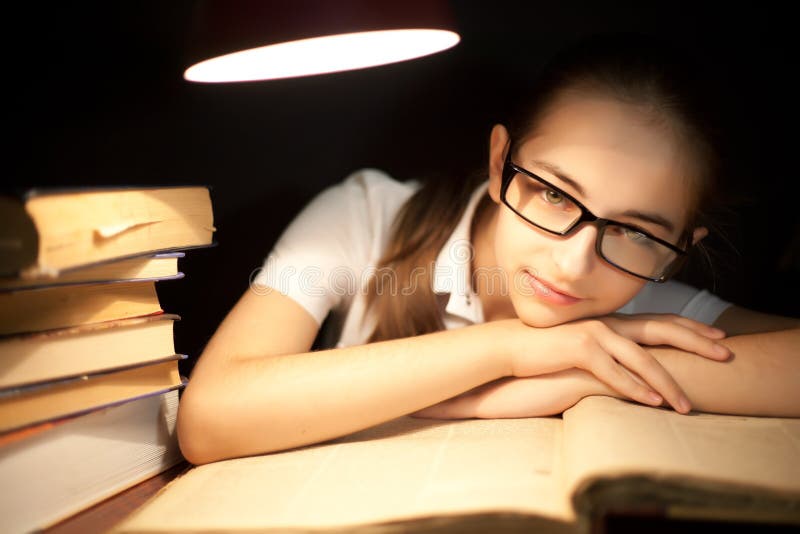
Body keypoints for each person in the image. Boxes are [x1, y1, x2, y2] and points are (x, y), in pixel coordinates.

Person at [177, 32, 800, 465]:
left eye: (635, 232)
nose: (574, 262)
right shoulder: (365, 217)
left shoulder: (655, 313)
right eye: (556, 194)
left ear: (678, 249)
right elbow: (208, 418)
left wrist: (586, 378)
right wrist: (509, 349)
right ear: (502, 161)